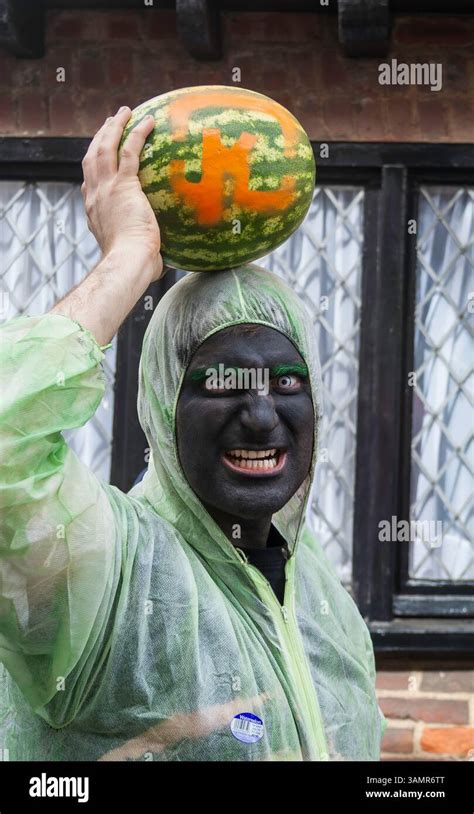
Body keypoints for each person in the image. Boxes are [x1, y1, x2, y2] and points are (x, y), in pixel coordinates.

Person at [0, 106, 386, 761]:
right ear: (160, 403)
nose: (262, 415)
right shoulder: (112, 582)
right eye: (222, 381)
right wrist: (129, 258)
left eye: (288, 380)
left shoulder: (326, 604)